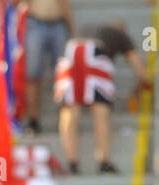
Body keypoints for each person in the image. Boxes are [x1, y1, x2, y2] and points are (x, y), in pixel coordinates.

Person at [54, 21, 149, 174]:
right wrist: (145, 85)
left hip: (70, 51)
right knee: (100, 109)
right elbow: (138, 66)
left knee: (70, 109)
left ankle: (72, 162)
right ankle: (104, 161)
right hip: (95, 53)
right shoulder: (121, 35)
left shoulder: (86, 28)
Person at [22, 0, 74, 134]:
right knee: (33, 74)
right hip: (35, 21)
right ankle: (33, 121)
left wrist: (71, 29)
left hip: (59, 23)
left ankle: (65, 122)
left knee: (63, 76)